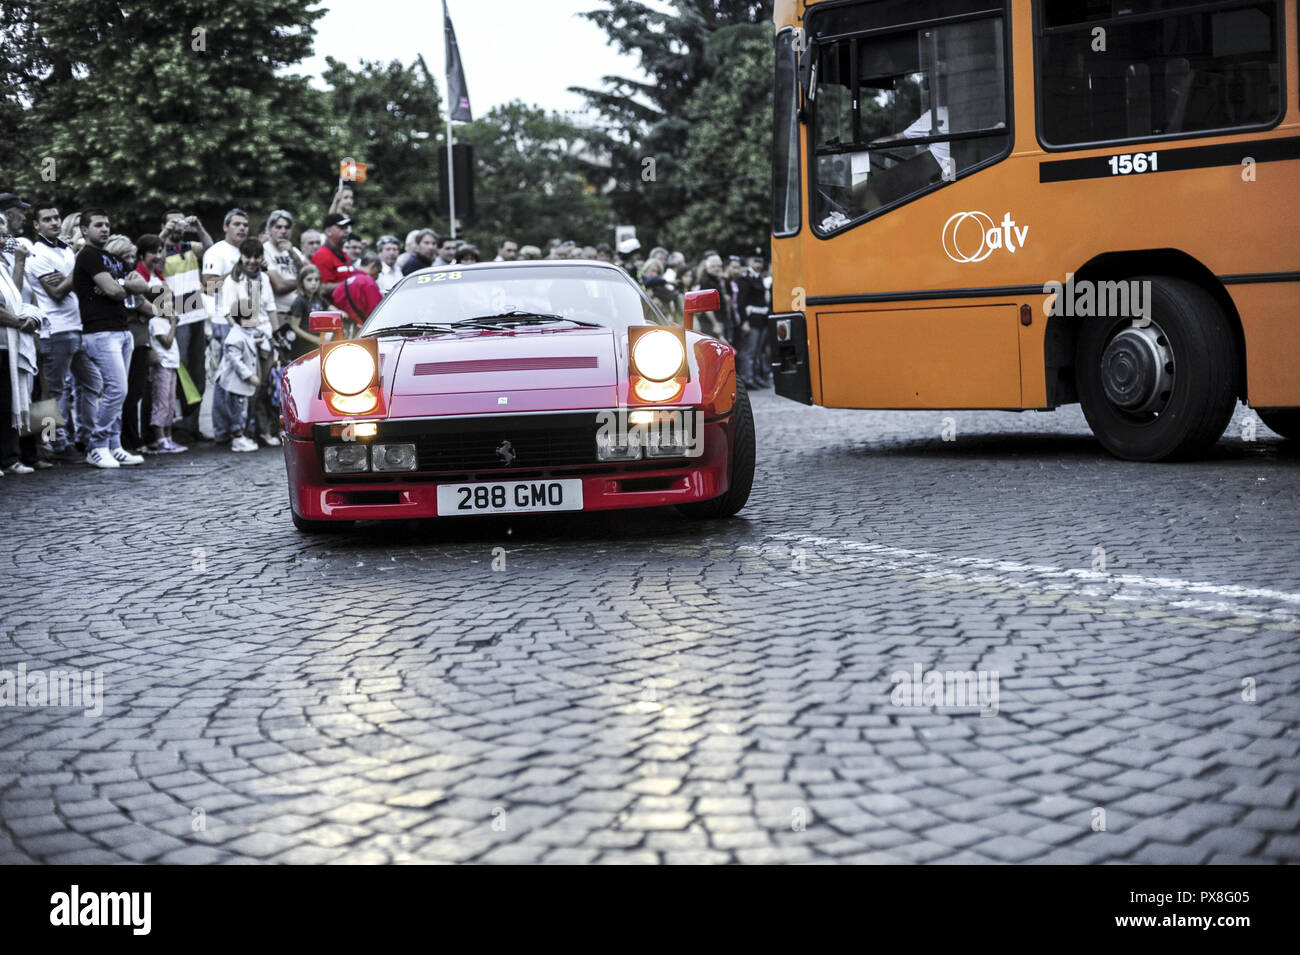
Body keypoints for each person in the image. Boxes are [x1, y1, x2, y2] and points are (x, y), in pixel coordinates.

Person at [24, 201, 99, 462]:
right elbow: (57, 292)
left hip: (75, 326)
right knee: (51, 392)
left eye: (56, 218)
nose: (54, 222)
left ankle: (86, 437)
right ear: (36, 225)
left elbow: (71, 284)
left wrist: (71, 273)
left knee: (93, 382)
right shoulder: (38, 254)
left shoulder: (66, 249)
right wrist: (80, 266)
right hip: (54, 329)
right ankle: (53, 445)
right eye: (47, 219)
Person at [74, 211, 149, 468]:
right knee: (117, 389)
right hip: (100, 332)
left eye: (107, 224)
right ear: (85, 230)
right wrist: (119, 285)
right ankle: (96, 445)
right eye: (98, 225)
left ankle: (114, 445)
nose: (104, 229)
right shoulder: (87, 256)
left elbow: (142, 285)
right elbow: (115, 290)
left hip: (122, 331)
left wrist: (117, 285)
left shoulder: (112, 258)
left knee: (117, 391)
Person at [158, 210, 213, 444]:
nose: (178, 226)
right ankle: (175, 425)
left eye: (180, 221)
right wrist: (164, 234)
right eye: (173, 221)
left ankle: (193, 426)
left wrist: (198, 227)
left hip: (196, 313)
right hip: (176, 316)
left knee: (198, 373)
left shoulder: (189, 245)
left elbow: (210, 248)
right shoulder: (160, 246)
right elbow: (156, 265)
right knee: (180, 373)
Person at [221, 238, 278, 445]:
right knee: (247, 387)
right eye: (248, 256)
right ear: (241, 256)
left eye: (256, 256)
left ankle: (262, 430)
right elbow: (228, 312)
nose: (252, 261)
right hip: (245, 339)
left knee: (265, 387)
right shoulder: (233, 280)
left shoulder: (264, 278)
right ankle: (242, 432)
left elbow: (270, 308)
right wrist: (240, 334)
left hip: (265, 336)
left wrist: (276, 336)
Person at [0, 212, 42, 476]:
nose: (5, 238)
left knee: (8, 402)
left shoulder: (4, 264)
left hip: (9, 344)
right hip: (6, 337)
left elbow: (15, 297)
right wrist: (19, 322)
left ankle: (10, 456)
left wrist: (31, 319)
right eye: (1, 233)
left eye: (4, 233)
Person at [214, 298, 262, 453]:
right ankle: (237, 437)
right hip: (236, 382)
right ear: (243, 319)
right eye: (254, 316)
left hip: (241, 384)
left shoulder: (244, 332)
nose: (257, 319)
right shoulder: (234, 337)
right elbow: (235, 360)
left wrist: (255, 342)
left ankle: (240, 435)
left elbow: (247, 342)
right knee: (237, 410)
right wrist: (249, 376)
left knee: (241, 409)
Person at [145, 302, 185, 454]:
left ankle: (168, 438)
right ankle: (160, 438)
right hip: (162, 365)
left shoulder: (165, 321)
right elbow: (166, 343)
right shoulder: (155, 322)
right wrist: (173, 323)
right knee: (161, 402)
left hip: (172, 365)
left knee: (170, 403)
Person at [262, 209, 306, 326]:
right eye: (278, 227)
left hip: (299, 314)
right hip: (279, 315)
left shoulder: (294, 251)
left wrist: (292, 253)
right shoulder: (264, 250)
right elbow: (279, 286)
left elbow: (310, 275)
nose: (283, 231)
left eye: (287, 227)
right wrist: (303, 282)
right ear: (269, 229)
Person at [735, 254, 772, 389]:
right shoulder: (745, 279)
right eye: (755, 261)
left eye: (760, 262)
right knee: (750, 351)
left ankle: (755, 376)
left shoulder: (759, 279)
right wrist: (744, 320)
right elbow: (741, 302)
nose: (758, 264)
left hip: (761, 319)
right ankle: (747, 378)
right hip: (752, 320)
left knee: (757, 351)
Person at [285, 264, 328, 361]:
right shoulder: (299, 301)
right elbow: (295, 326)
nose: (314, 283)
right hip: (302, 346)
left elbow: (331, 309)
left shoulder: (318, 298)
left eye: (317, 280)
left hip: (317, 343)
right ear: (301, 282)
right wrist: (316, 339)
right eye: (309, 280)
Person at [331, 253, 383, 330]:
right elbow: (377, 311)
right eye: (378, 272)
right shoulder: (369, 282)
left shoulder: (344, 283)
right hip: (366, 331)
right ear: (373, 265)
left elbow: (335, 301)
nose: (377, 277)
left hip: (347, 331)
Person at [310, 213, 353, 297]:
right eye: (341, 227)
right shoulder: (322, 255)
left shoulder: (343, 254)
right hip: (333, 309)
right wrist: (352, 283)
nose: (346, 231)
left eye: (346, 227)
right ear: (328, 231)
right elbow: (322, 288)